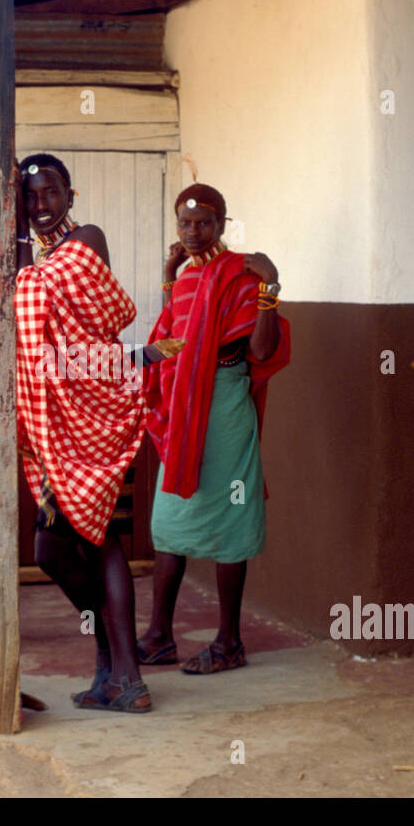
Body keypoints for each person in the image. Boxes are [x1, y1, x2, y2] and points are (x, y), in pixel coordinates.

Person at [13, 152, 165, 714]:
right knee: (57, 548)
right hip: (56, 421)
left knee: (99, 542)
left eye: (51, 192)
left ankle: (126, 675)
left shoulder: (86, 240)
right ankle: (113, 663)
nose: (41, 205)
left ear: (70, 196)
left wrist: (15, 242)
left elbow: (30, 290)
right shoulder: (36, 260)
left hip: (97, 417)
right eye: (29, 197)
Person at [137, 183, 291, 674]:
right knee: (169, 520)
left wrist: (270, 288)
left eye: (204, 222)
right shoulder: (185, 277)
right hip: (185, 408)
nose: (193, 231)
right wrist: (168, 280)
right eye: (185, 223)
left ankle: (229, 642)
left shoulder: (242, 274)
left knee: (231, 516)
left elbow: (262, 351)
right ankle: (159, 636)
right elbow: (174, 340)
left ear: (222, 224)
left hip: (224, 406)